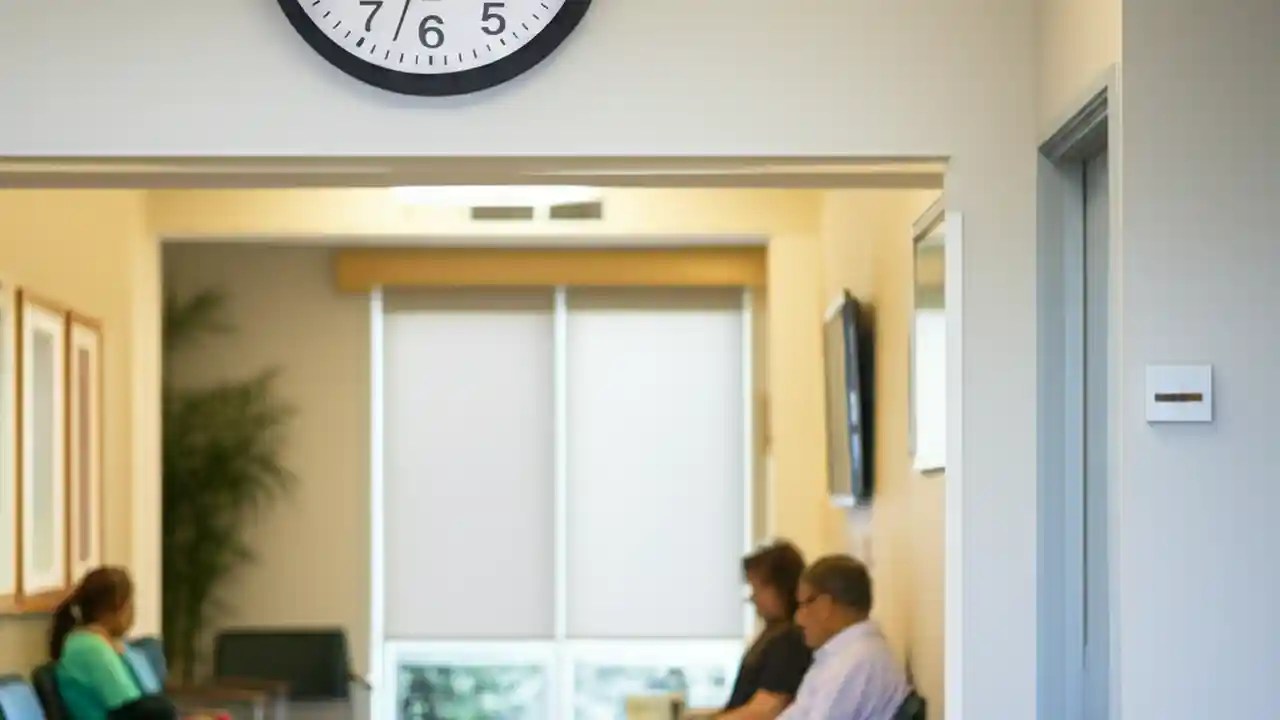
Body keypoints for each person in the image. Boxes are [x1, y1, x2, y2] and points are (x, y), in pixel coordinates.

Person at [779, 555, 910, 720]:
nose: (798, 618)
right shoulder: (842, 656)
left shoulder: (856, 663)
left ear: (824, 606)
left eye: (803, 605)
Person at [51, 567, 179, 720]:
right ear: (120, 605)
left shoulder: (91, 643)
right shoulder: (91, 648)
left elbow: (150, 692)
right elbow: (135, 708)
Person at [719, 540, 813, 719]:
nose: (753, 596)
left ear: (782, 587)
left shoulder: (790, 641)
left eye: (758, 587)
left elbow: (765, 710)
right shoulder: (773, 635)